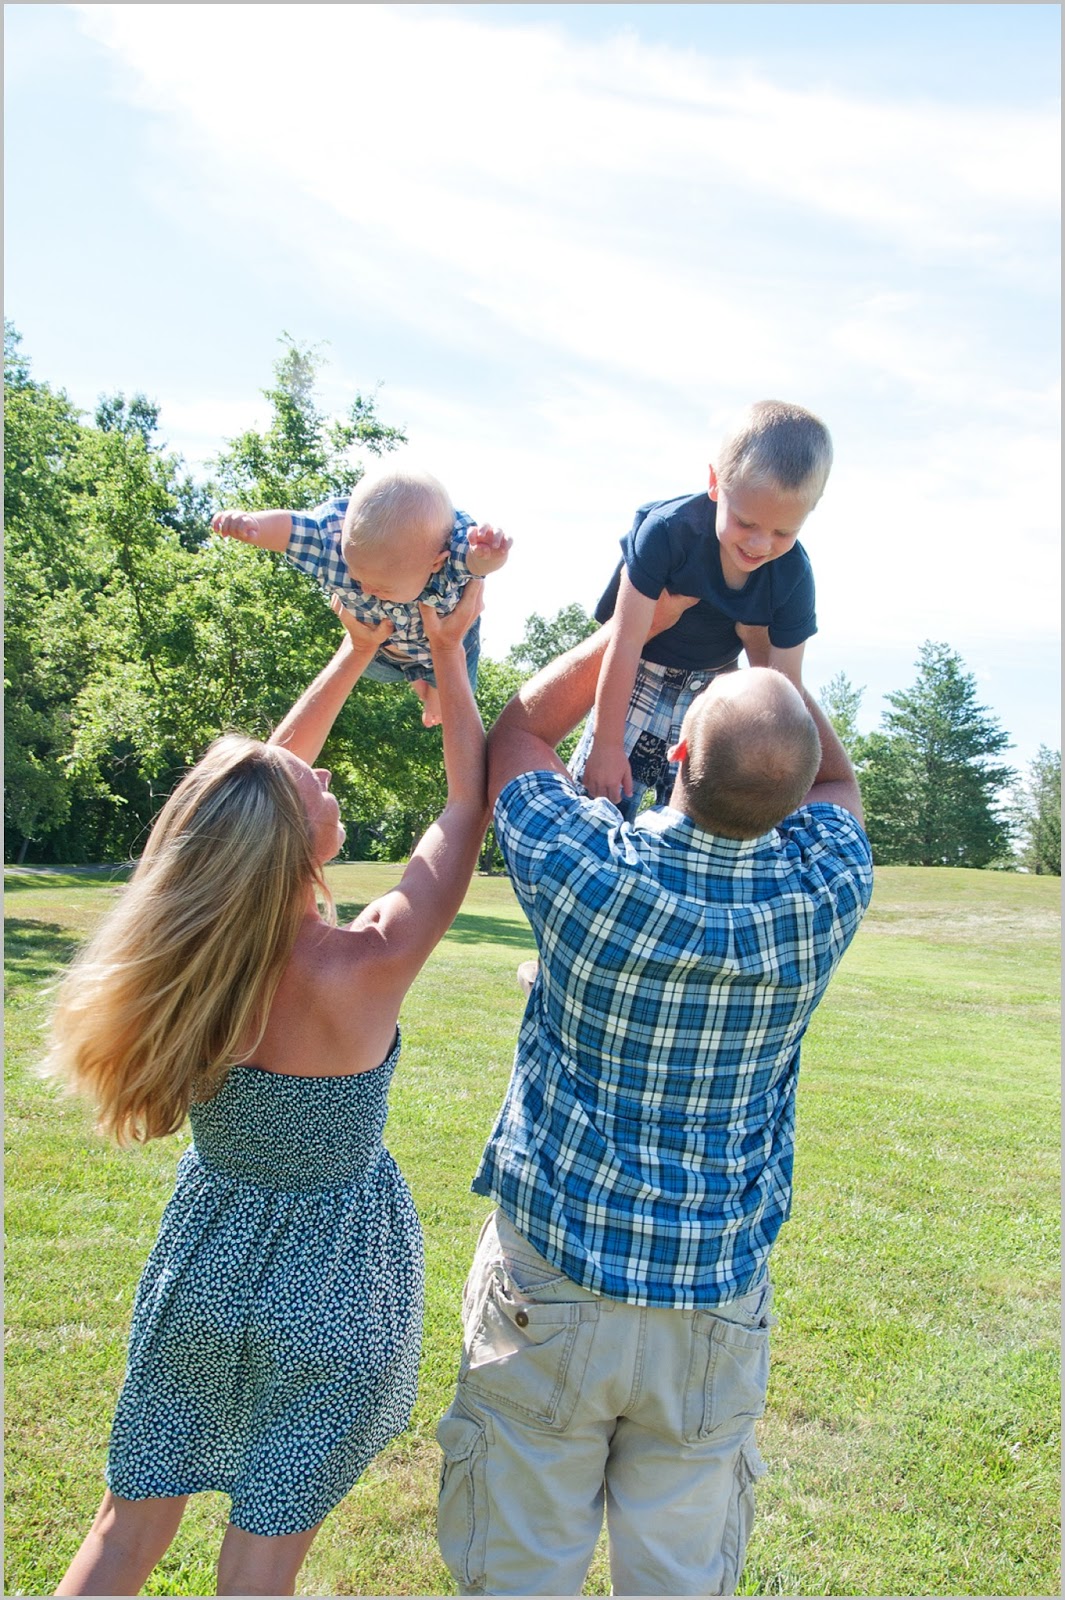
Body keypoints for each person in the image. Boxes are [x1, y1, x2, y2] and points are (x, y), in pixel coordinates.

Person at [48, 581, 488, 1597]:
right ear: (295, 845)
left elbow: (237, 804)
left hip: (204, 1273)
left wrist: (355, 651)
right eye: (315, 787)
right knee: (258, 1567)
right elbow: (467, 804)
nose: (324, 770)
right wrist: (452, 650)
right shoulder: (365, 961)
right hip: (334, 1294)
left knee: (122, 1534)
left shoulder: (190, 969)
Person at [436, 611, 873, 1597]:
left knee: (516, 1576)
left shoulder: (590, 870)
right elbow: (840, 785)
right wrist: (771, 655)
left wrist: (649, 618)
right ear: (797, 791)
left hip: (549, 1284)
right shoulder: (822, 899)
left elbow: (518, 737)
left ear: (674, 751)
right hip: (712, 1302)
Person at [573, 399, 832, 819]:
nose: (760, 544)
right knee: (599, 806)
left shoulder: (794, 577)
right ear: (716, 482)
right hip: (641, 672)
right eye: (746, 523)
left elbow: (784, 693)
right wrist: (605, 744)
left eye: (784, 531)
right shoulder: (667, 532)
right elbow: (624, 644)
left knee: (704, 823)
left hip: (717, 691)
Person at [212, 465, 511, 727]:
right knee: (375, 672)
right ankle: (419, 681)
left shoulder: (449, 550)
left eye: (383, 587)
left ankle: (430, 688)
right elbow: (293, 531)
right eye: (356, 574)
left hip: (448, 645)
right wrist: (252, 526)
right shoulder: (333, 540)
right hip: (382, 650)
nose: (366, 589)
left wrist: (490, 554)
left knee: (455, 694)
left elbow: (475, 563)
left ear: (435, 561)